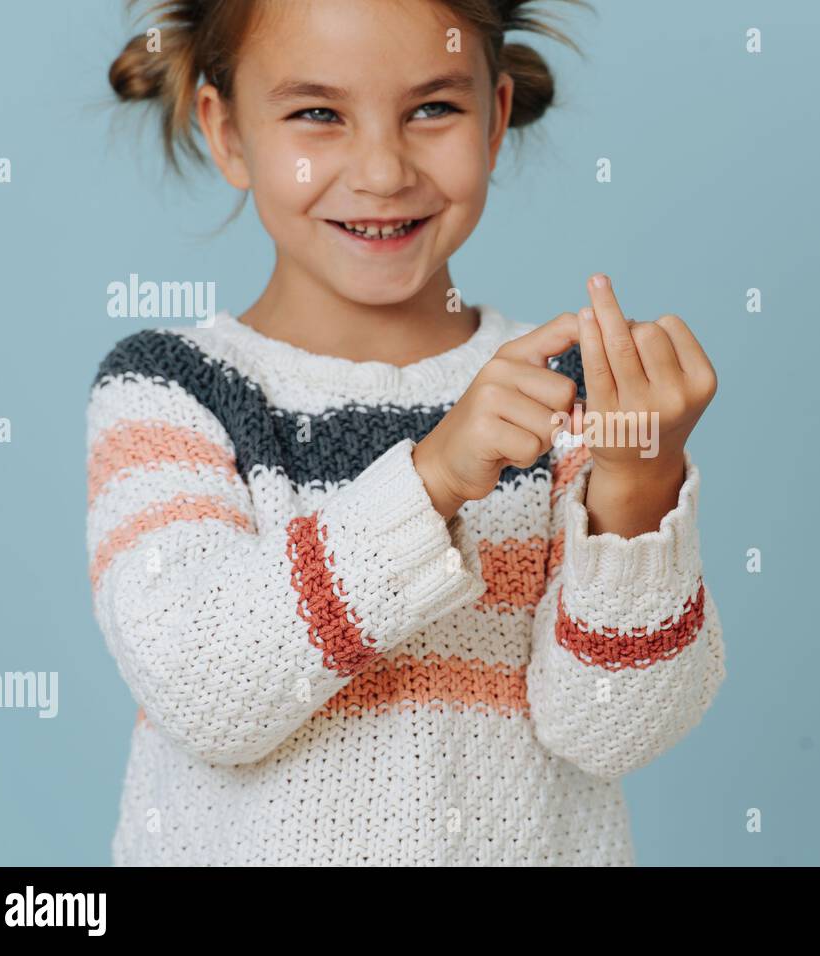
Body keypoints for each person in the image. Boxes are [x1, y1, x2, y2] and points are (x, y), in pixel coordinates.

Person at [89, 0, 725, 865]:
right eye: (318, 113)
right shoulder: (171, 391)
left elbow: (614, 732)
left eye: (432, 109)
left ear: (495, 117)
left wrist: (640, 490)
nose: (383, 171)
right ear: (227, 131)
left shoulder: (572, 395)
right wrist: (430, 482)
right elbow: (206, 688)